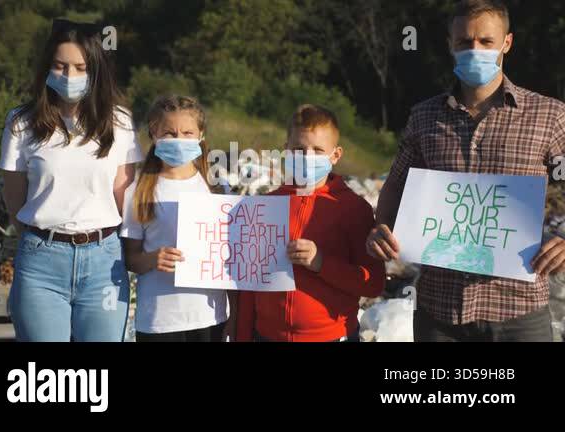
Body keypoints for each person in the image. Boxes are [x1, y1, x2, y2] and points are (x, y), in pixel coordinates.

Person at [366, 0, 565, 342]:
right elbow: (396, 186)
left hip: (518, 311)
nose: (475, 50)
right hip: (439, 311)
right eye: (464, 42)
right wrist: (381, 229)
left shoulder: (549, 116)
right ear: (450, 46)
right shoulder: (425, 117)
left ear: (507, 43)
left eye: (486, 42)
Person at [0, 19, 143, 341]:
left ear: (96, 70)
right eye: (60, 66)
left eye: (80, 67)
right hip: (40, 262)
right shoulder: (21, 122)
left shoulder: (119, 122)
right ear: (47, 67)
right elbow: (14, 197)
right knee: (49, 382)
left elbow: (126, 196)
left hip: (104, 263)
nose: (69, 76)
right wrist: (41, 237)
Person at [237, 104, 385, 342]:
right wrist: (241, 335)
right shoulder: (265, 205)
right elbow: (248, 282)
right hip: (266, 335)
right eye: (299, 149)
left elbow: (373, 284)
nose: (307, 157)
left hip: (330, 337)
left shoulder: (354, 208)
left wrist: (321, 263)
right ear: (286, 151)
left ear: (335, 155)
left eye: (317, 150)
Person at [121, 95, 236, 342]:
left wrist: (235, 315)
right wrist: (153, 259)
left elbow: (231, 260)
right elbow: (131, 259)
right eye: (170, 133)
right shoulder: (138, 190)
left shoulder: (218, 188)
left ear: (201, 135)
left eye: (187, 133)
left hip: (211, 316)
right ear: (154, 133)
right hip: (158, 320)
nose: (179, 140)